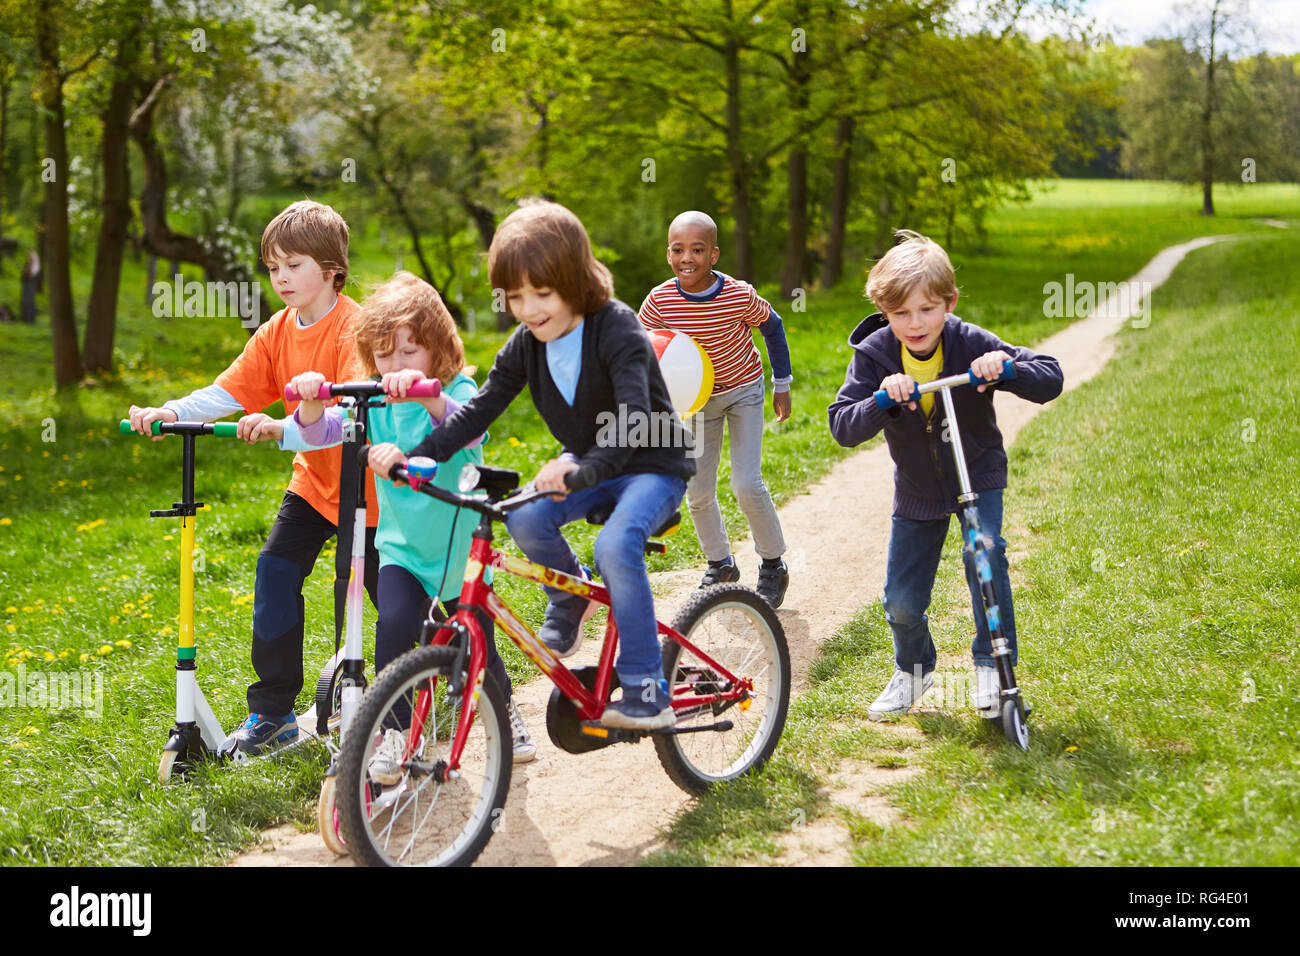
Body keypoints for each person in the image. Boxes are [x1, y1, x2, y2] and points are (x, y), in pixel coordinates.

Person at [389, 199, 696, 731]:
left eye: (542, 293)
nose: (529, 309)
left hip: (653, 462)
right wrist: (421, 456)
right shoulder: (526, 343)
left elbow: (634, 415)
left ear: (576, 280)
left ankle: (647, 685)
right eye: (515, 297)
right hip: (592, 463)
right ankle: (569, 596)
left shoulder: (615, 327)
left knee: (615, 545)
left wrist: (582, 466)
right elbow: (480, 409)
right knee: (526, 517)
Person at [126, 200, 379, 755]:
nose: (282, 277)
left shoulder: (354, 329)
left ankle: (425, 681)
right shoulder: (276, 332)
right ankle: (274, 714)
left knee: (388, 596)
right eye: (273, 267)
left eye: (294, 264)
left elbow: (350, 419)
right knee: (273, 573)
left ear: (333, 268)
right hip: (313, 487)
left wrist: (282, 429)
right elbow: (227, 392)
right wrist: (172, 411)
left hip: (374, 494)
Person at [289, 271, 536, 766]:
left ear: (437, 349)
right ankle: (399, 734)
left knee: (475, 641)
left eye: (409, 352)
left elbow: (466, 433)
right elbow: (321, 432)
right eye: (384, 355)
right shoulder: (374, 398)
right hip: (402, 548)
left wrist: (427, 394)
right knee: (396, 628)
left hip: (458, 546)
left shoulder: (458, 389)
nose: (395, 365)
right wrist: (313, 404)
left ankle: (503, 706)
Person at [827, 229, 1063, 720]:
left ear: (949, 302)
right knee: (902, 602)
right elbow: (843, 426)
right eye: (900, 314)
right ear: (884, 310)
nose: (915, 324)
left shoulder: (969, 342)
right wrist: (881, 400)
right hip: (917, 488)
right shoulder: (874, 355)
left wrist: (1008, 369)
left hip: (976, 475)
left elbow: (1050, 377)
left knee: (986, 556)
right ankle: (913, 670)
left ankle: (991, 669)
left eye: (927, 310)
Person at [638, 211, 793, 608]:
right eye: (678, 249)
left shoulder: (738, 294)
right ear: (668, 255)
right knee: (698, 489)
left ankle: (773, 564)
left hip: (744, 388)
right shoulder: (659, 301)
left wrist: (781, 383)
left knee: (746, 483)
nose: (687, 257)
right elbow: (639, 349)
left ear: (714, 255)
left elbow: (772, 326)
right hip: (697, 400)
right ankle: (720, 563)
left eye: (697, 249)